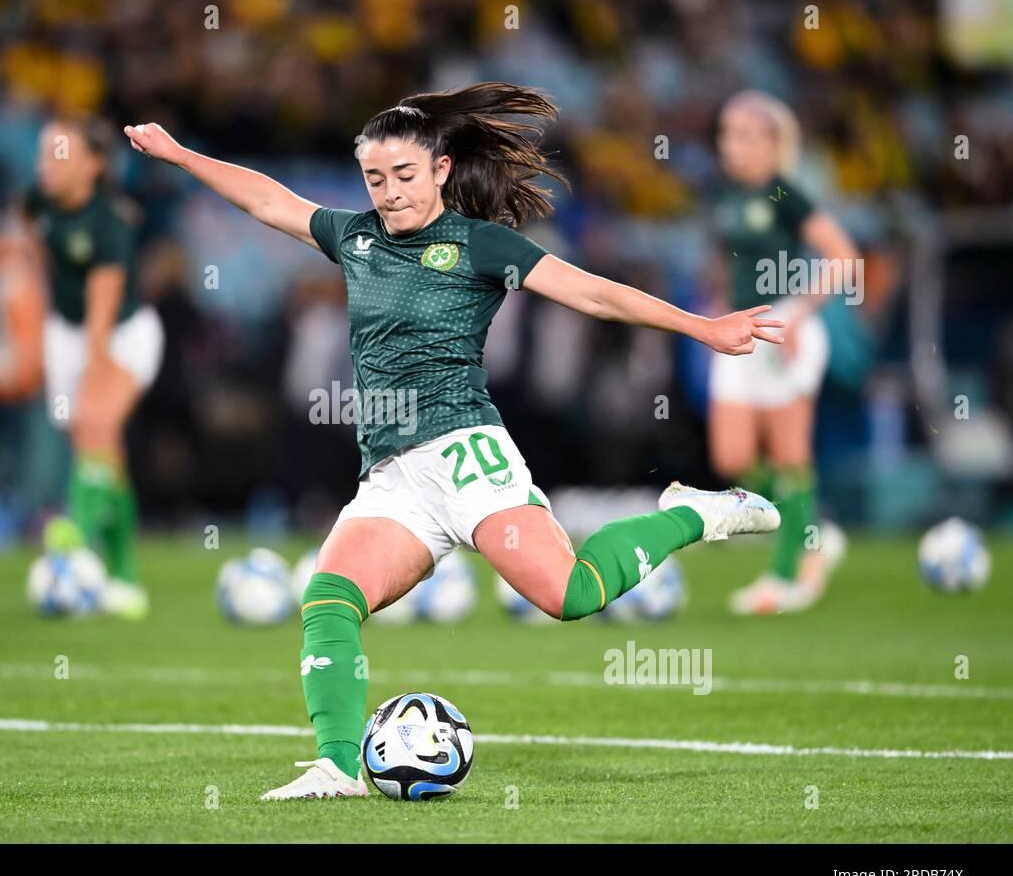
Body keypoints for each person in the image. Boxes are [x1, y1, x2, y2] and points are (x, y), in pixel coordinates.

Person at [125, 83, 784, 799]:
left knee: (572, 595)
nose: (389, 193)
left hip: (465, 452)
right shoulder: (356, 238)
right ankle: (338, 768)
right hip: (391, 476)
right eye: (375, 179)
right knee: (329, 599)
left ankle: (696, 513)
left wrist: (703, 327)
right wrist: (180, 153)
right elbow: (267, 199)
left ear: (440, 170)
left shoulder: (480, 245)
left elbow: (593, 293)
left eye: (404, 176)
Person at [707, 91, 860, 615]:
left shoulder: (782, 194)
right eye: (727, 134)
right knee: (732, 458)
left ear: (774, 144)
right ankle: (814, 530)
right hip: (738, 333)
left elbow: (843, 255)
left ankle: (785, 573)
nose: (733, 145)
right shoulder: (725, 194)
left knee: (789, 457)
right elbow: (732, 263)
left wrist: (797, 315)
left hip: (781, 331)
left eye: (746, 135)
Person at [26, 117, 164, 619]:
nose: (45, 164)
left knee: (96, 423)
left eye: (58, 154)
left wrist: (93, 370)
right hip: (65, 331)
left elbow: (102, 313)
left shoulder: (110, 226)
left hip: (122, 334)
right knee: (96, 445)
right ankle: (114, 569)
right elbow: (41, 254)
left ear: (94, 165)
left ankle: (85, 551)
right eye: (43, 153)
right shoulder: (36, 204)